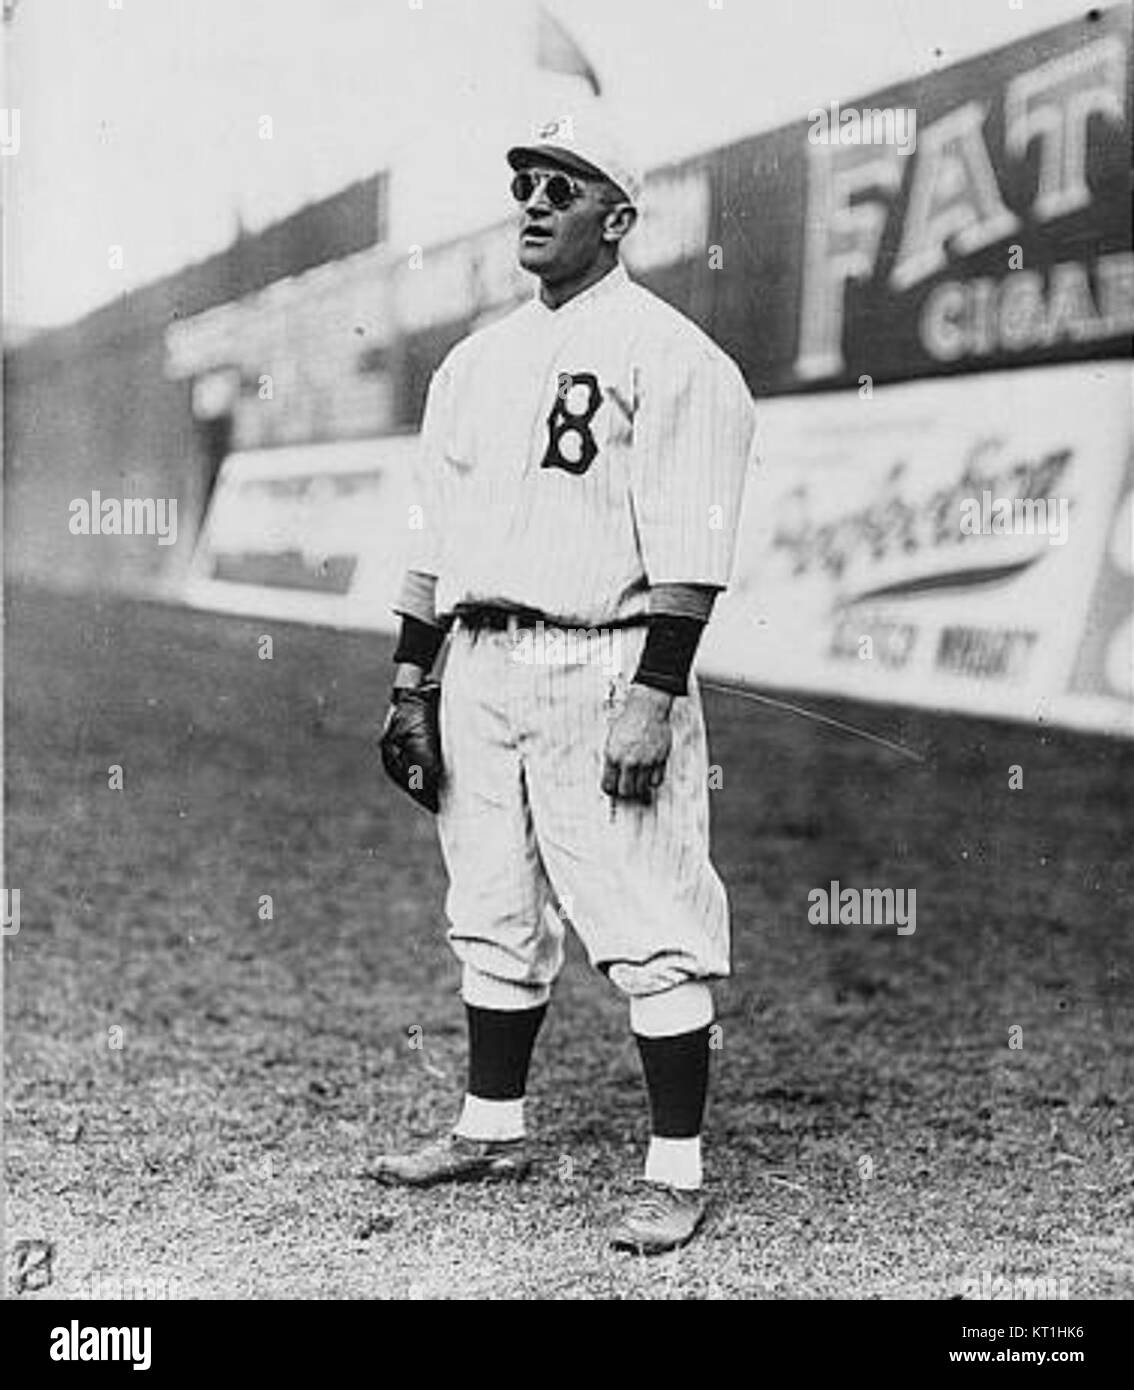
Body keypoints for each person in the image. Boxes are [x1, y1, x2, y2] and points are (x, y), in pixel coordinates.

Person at [368, 112, 759, 1254]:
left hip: (605, 656)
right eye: (526, 185)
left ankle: (676, 1171)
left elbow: (692, 549)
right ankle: (492, 1125)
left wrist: (655, 692)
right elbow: (430, 537)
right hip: (479, 663)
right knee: (488, 903)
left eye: (563, 188)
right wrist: (409, 682)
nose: (534, 204)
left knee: (646, 912)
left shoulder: (672, 352)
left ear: (618, 218)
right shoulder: (475, 360)